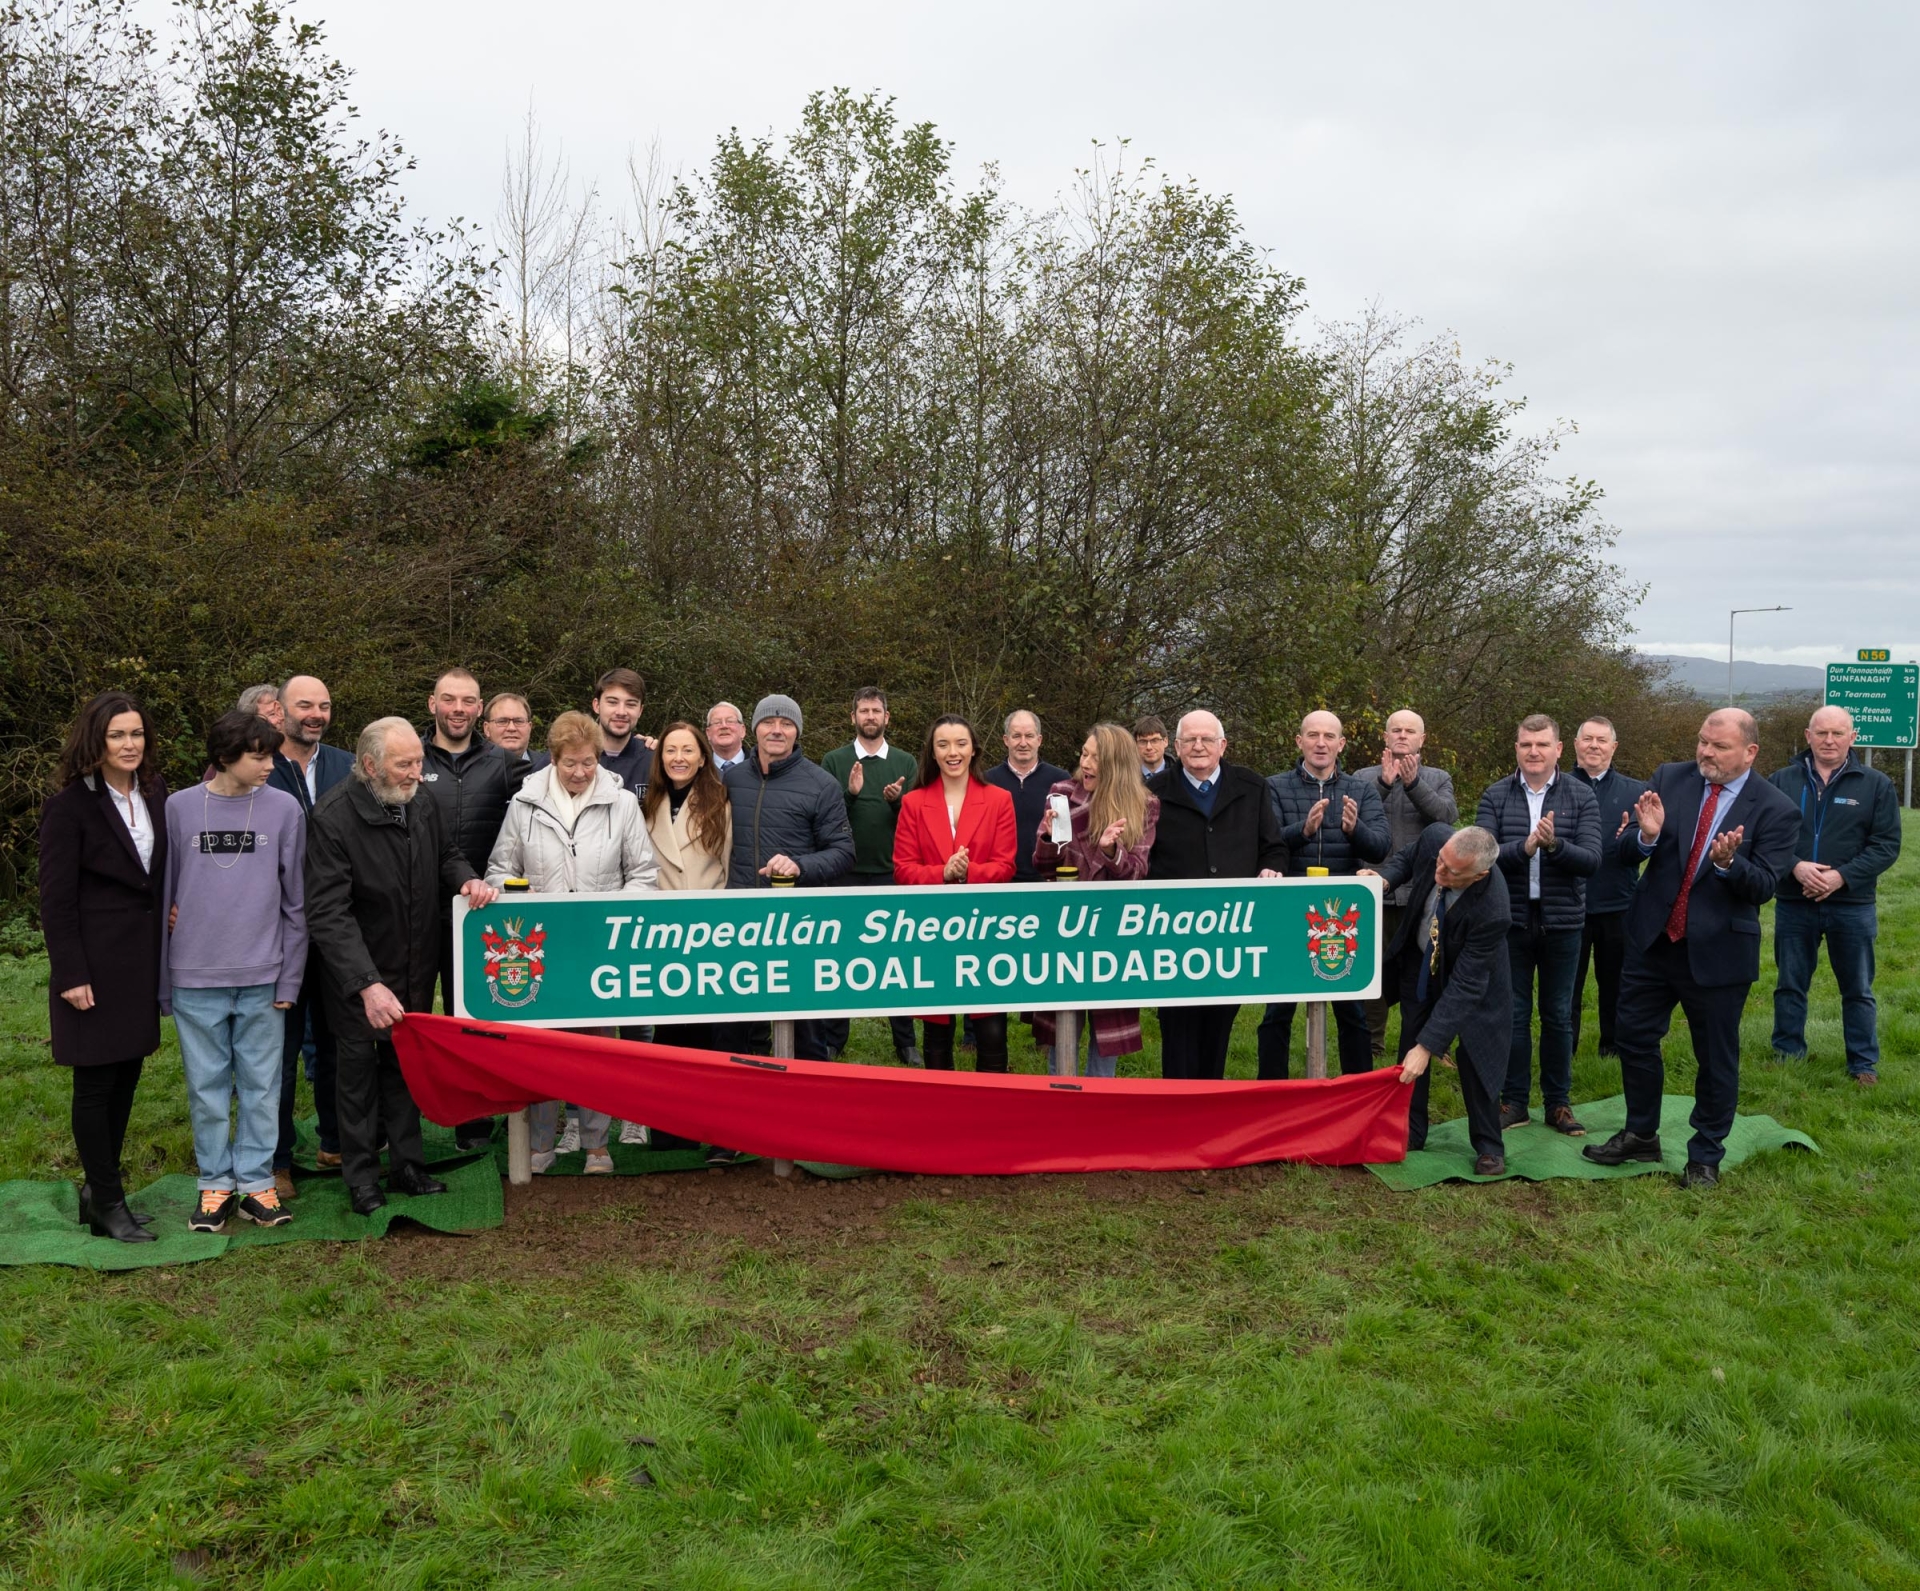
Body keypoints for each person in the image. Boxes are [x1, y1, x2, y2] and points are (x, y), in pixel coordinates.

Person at [1584, 709, 1799, 1187]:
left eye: (1719, 746)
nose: (1705, 752)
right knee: (1634, 1038)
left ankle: (1705, 1154)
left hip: (1718, 952)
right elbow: (1622, 853)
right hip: (1652, 940)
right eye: (1703, 741)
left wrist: (1728, 865)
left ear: (1750, 752)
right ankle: (1641, 1134)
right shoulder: (1670, 778)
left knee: (1715, 1057)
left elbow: (1763, 886)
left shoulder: (1777, 808)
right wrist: (1646, 836)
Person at [305, 718, 498, 1214]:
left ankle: (409, 1165)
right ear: (370, 766)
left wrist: (466, 881)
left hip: (414, 963)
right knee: (356, 1076)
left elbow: (447, 854)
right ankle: (362, 1177)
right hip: (359, 973)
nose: (417, 772)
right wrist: (366, 984)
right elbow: (329, 912)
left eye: (418, 762)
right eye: (405, 764)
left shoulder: (418, 800)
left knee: (405, 1067)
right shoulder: (331, 819)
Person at [486, 711, 658, 1173]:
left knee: (597, 1048)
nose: (580, 772)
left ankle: (597, 1145)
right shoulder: (524, 803)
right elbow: (498, 872)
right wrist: (525, 898)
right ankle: (539, 1145)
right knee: (540, 1049)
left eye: (588, 763)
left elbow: (644, 875)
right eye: (570, 764)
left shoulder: (621, 803)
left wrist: (610, 916)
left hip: (597, 945)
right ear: (553, 759)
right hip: (538, 947)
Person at [160, 712, 307, 1232]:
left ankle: (257, 1182)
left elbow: (296, 903)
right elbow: (164, 897)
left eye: (271, 754)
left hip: (264, 977)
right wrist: (163, 982)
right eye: (258, 756)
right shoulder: (178, 808)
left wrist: (290, 978)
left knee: (263, 1085)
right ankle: (214, 1184)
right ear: (225, 757)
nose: (270, 765)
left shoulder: (285, 809)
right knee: (207, 1086)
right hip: (194, 976)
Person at [38, 692, 170, 1243]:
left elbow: (156, 872)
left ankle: (99, 1193)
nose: (129, 744)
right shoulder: (69, 806)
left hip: (141, 962)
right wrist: (70, 973)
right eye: (118, 735)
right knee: (95, 1083)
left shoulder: (157, 794)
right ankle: (108, 1200)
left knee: (128, 1075)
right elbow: (55, 898)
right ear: (96, 741)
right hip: (91, 965)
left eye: (136, 734)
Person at [1475, 714, 1601, 1135]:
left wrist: (1555, 845)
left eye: (1542, 745)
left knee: (1558, 1015)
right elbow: (1483, 856)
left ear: (1559, 749)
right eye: (1526, 744)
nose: (1534, 752)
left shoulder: (1581, 796)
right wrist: (1526, 847)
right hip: (1508, 921)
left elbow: (1591, 860)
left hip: (1563, 923)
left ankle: (1558, 1104)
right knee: (1513, 1015)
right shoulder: (1495, 796)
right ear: (1516, 748)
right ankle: (1514, 1102)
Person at [1145, 710, 1288, 1079]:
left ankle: (1211, 1111)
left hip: (1232, 933)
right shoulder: (1152, 792)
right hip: (1173, 932)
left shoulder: (1252, 786)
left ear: (1222, 745)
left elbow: (1273, 846)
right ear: (1176, 746)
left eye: (1207, 739)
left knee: (1220, 1021)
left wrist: (1271, 868)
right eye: (1190, 739)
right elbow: (1140, 856)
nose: (1198, 746)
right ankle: (1178, 1116)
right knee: (1177, 1027)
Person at [1365, 825, 1513, 1176]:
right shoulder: (1436, 841)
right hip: (1420, 962)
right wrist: (1386, 879)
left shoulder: (1493, 910)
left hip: (1473, 977)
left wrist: (1429, 1046)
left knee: (1478, 1053)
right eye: (1441, 862)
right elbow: (1408, 857)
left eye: (1451, 871)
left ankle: (1489, 1145)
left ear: (1479, 875)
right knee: (1409, 1044)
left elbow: (1465, 985)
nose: (1440, 871)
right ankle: (1411, 1132)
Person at [418, 667, 526, 1148]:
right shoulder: (409, 757)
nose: (457, 708)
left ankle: (474, 1118)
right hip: (416, 911)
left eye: (467, 701)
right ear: (432, 704)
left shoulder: (502, 762)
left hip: (483, 914)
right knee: (413, 1016)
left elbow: (569, 771)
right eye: (449, 699)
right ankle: (401, 1116)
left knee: (476, 1020)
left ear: (479, 709)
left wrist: (635, 761)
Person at [1768, 705, 1902, 1086]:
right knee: (1790, 983)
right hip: (1795, 902)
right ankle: (1787, 1054)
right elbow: (1765, 837)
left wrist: (1842, 877)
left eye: (1838, 733)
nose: (1829, 740)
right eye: (1821, 733)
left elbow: (1886, 845)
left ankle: (1863, 1064)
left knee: (1857, 988)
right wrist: (1795, 866)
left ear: (1852, 737)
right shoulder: (1781, 781)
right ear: (1808, 736)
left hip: (1852, 906)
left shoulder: (1876, 784)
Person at [720, 695, 855, 1060]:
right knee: (738, 1028)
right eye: (768, 722)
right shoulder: (730, 780)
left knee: (805, 1028)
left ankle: (812, 1106)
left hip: (797, 925)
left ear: (797, 732)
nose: (777, 730)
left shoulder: (821, 784)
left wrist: (800, 865)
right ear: (755, 728)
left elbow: (843, 851)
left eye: (786, 724)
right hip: (738, 922)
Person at [1259, 710, 1390, 1078]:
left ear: (1341, 744)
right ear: (1299, 741)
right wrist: (1303, 829)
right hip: (1289, 909)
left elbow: (1381, 846)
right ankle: (1272, 1091)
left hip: (1343, 916)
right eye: (1313, 735)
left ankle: (1357, 1089)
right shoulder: (1274, 787)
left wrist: (1355, 830)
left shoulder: (1361, 790)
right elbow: (1264, 843)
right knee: (1277, 1011)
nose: (1321, 743)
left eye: (1329, 736)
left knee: (1353, 1012)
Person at [1030, 722, 1159, 1076]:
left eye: (1096, 758)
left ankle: (1100, 1108)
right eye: (1084, 754)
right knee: (1062, 1028)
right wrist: (1049, 838)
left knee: (1107, 1031)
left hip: (1113, 931)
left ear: (1115, 764)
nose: (1086, 763)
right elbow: (1042, 866)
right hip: (1064, 925)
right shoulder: (1061, 793)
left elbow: (1137, 872)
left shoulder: (1144, 805)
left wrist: (1111, 851)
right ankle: (1061, 1102)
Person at [892, 715, 1020, 1071]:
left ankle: (994, 1110)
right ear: (932, 753)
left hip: (987, 928)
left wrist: (968, 874)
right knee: (937, 1033)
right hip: (933, 930)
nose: (953, 752)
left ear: (974, 749)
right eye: (943, 744)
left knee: (991, 1029)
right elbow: (903, 869)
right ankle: (940, 1112)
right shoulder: (913, 803)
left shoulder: (999, 800)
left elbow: (1006, 865)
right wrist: (942, 873)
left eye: (961, 743)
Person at [267, 674, 355, 1186]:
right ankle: (276, 1160)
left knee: (337, 1040)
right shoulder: (256, 763)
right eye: (305, 705)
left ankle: (335, 1142)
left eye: (324, 705)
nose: (316, 714)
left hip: (337, 923)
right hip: (276, 929)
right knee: (276, 1048)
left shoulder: (347, 765)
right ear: (279, 712)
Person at [819, 688, 920, 1064]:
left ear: (887, 718)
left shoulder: (906, 763)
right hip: (844, 874)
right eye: (863, 710)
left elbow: (914, 825)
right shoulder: (834, 760)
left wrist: (896, 802)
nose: (870, 716)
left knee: (897, 962)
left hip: (893, 874)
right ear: (853, 718)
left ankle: (906, 1042)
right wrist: (851, 794)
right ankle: (833, 1039)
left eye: (876, 710)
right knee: (839, 959)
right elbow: (826, 821)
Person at [1366, 708, 1458, 1058]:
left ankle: (1424, 1044)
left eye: (1410, 731)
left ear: (1422, 739)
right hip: (1376, 890)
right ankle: (1372, 1044)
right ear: (1386, 737)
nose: (1402, 736)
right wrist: (1385, 784)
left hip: (1423, 896)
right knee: (1372, 974)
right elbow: (1356, 819)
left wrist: (1413, 783)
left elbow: (1446, 819)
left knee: (1421, 974)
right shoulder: (1364, 776)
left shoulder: (1437, 777)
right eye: (1396, 730)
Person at [1568, 717, 1648, 1060]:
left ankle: (1612, 1045)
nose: (1594, 746)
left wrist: (1641, 838)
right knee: (1566, 986)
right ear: (1575, 745)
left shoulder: (1635, 792)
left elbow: (1645, 847)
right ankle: (1564, 1048)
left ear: (1614, 747)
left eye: (1602, 740)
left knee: (1616, 981)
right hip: (1568, 904)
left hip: (1618, 903)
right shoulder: (1557, 787)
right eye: (1588, 739)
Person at [984, 709, 1070, 884]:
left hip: (1048, 882)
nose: (1023, 743)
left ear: (1039, 740)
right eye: (1016, 736)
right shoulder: (986, 782)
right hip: (1000, 882)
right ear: (1006, 740)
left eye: (1029, 736)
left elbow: (1070, 837)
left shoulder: (1061, 781)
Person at [482, 693, 535, 762]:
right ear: (487, 729)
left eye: (518, 721)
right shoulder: (472, 768)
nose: (511, 728)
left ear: (529, 728)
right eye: (502, 721)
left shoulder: (549, 767)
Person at [706, 702, 748, 771]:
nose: (724, 726)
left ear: (742, 730)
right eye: (717, 722)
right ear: (708, 733)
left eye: (730, 721)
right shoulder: (697, 770)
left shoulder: (760, 767)